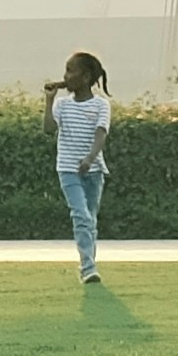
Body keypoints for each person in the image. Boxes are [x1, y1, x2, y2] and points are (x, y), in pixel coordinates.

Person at [51, 49, 115, 281]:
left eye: (71, 71)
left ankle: (88, 262)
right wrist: (49, 102)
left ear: (86, 77)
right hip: (68, 169)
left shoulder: (100, 105)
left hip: (93, 171)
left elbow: (101, 134)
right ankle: (88, 268)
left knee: (91, 219)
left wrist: (89, 158)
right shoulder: (62, 105)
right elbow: (49, 129)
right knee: (81, 216)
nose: (66, 77)